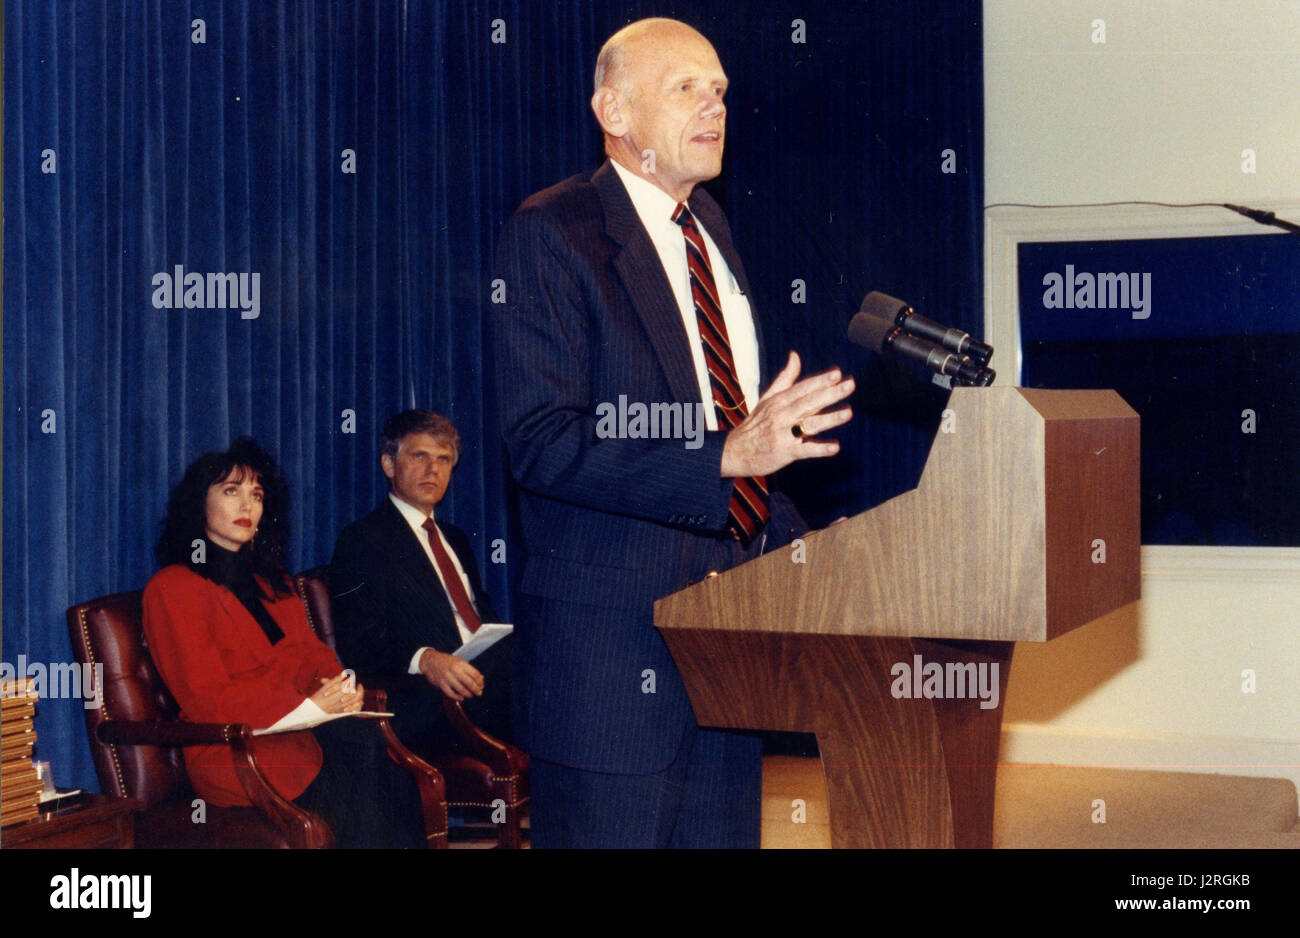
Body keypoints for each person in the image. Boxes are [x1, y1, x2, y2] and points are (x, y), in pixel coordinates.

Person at [492, 17, 856, 847]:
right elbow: (541, 440)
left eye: (721, 89)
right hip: (611, 669)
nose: (714, 105)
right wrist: (728, 453)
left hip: (724, 653)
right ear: (613, 112)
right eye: (686, 86)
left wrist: (808, 544)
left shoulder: (712, 232)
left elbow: (734, 433)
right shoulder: (552, 233)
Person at [142, 437, 424, 848]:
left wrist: (339, 689)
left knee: (390, 771)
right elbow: (206, 697)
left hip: (303, 730)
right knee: (360, 756)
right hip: (236, 748)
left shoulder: (272, 582)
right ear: (197, 504)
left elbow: (313, 654)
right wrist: (306, 705)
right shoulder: (172, 588)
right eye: (231, 491)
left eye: (256, 495)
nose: (247, 506)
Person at [330, 410, 512, 759]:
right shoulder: (362, 540)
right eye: (420, 456)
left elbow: (480, 618)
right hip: (425, 700)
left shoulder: (455, 539)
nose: (434, 470)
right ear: (388, 464)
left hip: (484, 683)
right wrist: (426, 659)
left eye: (444, 460)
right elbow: (360, 644)